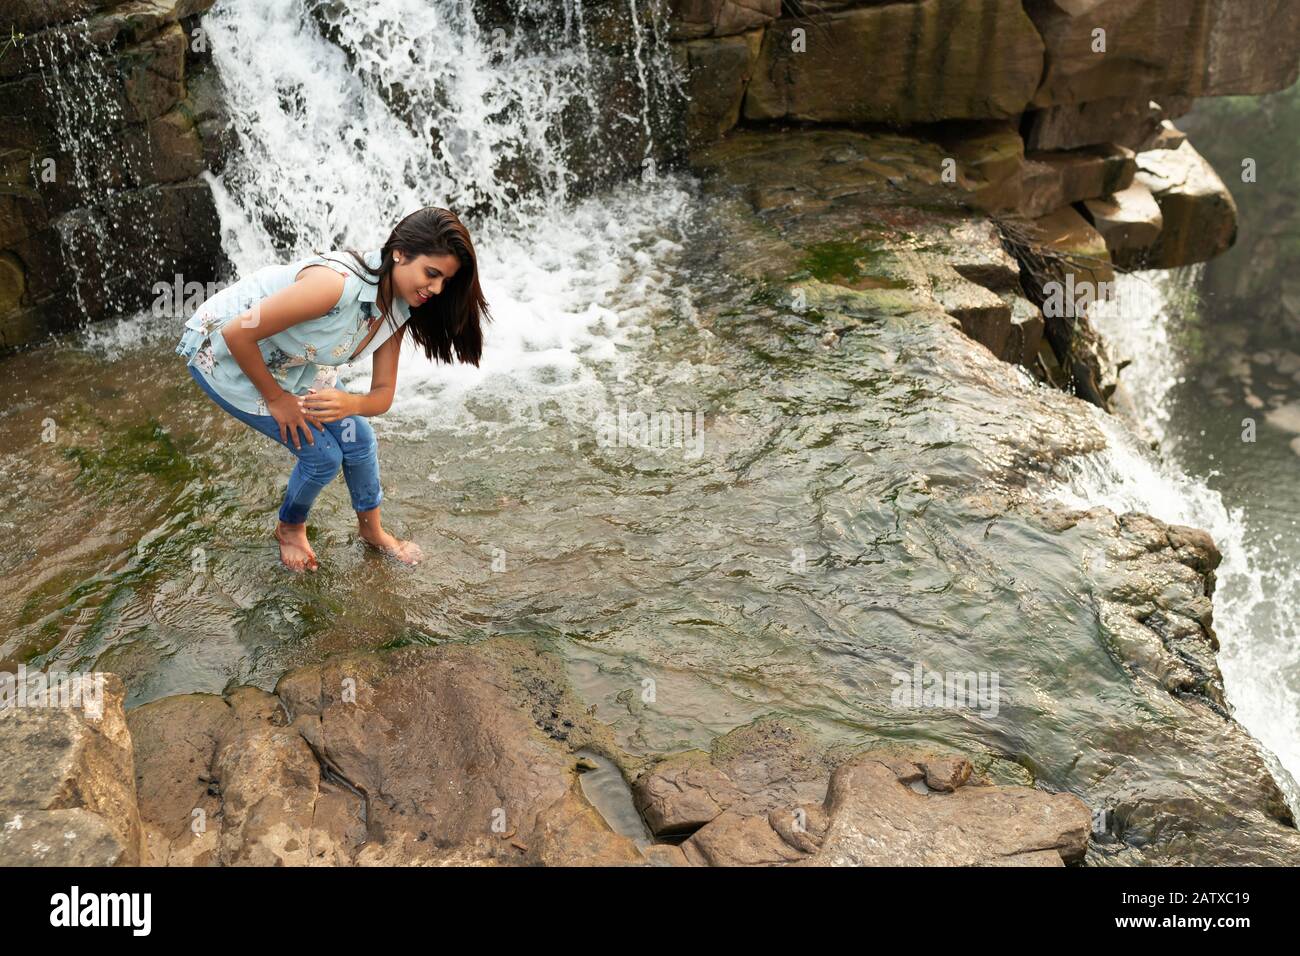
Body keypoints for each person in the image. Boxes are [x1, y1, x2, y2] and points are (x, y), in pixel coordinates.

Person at [176, 206, 492, 571]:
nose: (436, 289)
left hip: (296, 363)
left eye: (445, 282)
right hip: (228, 356)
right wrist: (278, 401)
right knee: (323, 456)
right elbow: (237, 333)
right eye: (431, 274)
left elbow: (382, 396)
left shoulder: (399, 308)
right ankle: (290, 528)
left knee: (359, 441)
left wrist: (349, 402)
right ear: (399, 252)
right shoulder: (333, 285)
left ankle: (372, 533)